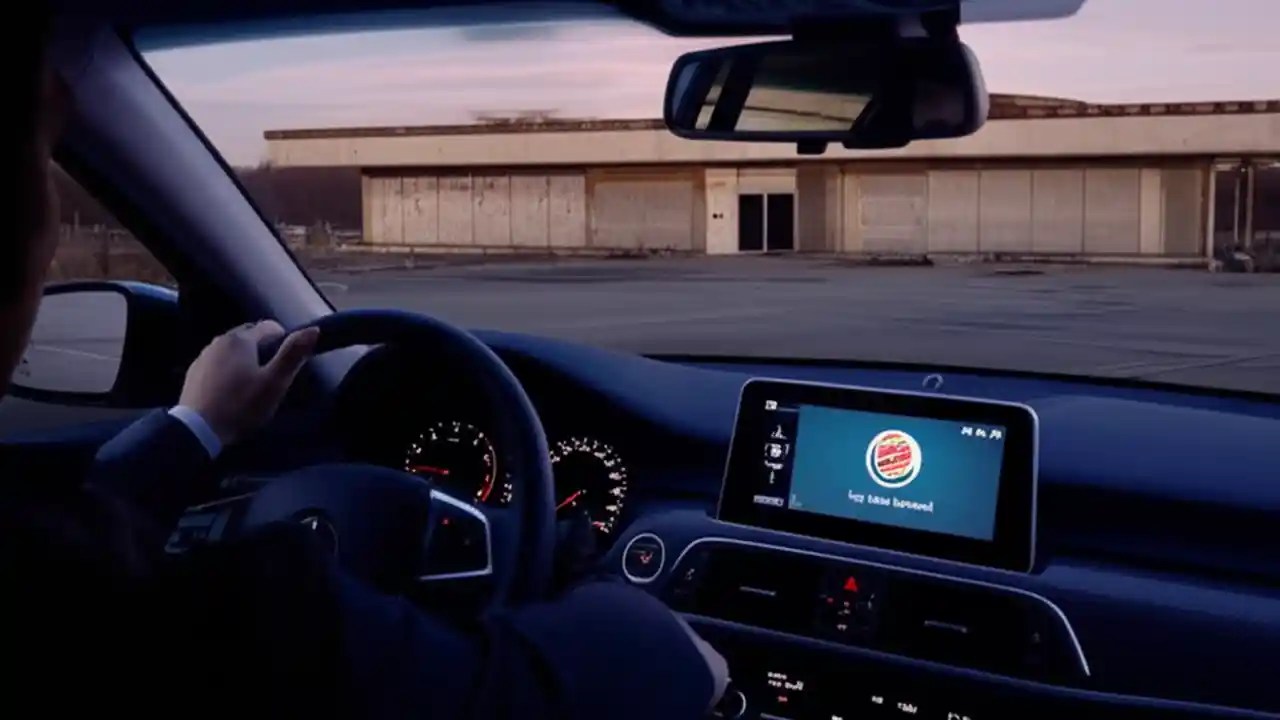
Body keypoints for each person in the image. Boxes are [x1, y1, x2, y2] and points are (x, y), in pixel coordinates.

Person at [1, 19, 728, 719]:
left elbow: (82, 539)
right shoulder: (247, 627)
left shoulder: (56, 583)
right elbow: (546, 691)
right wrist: (655, 631)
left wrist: (201, 422)